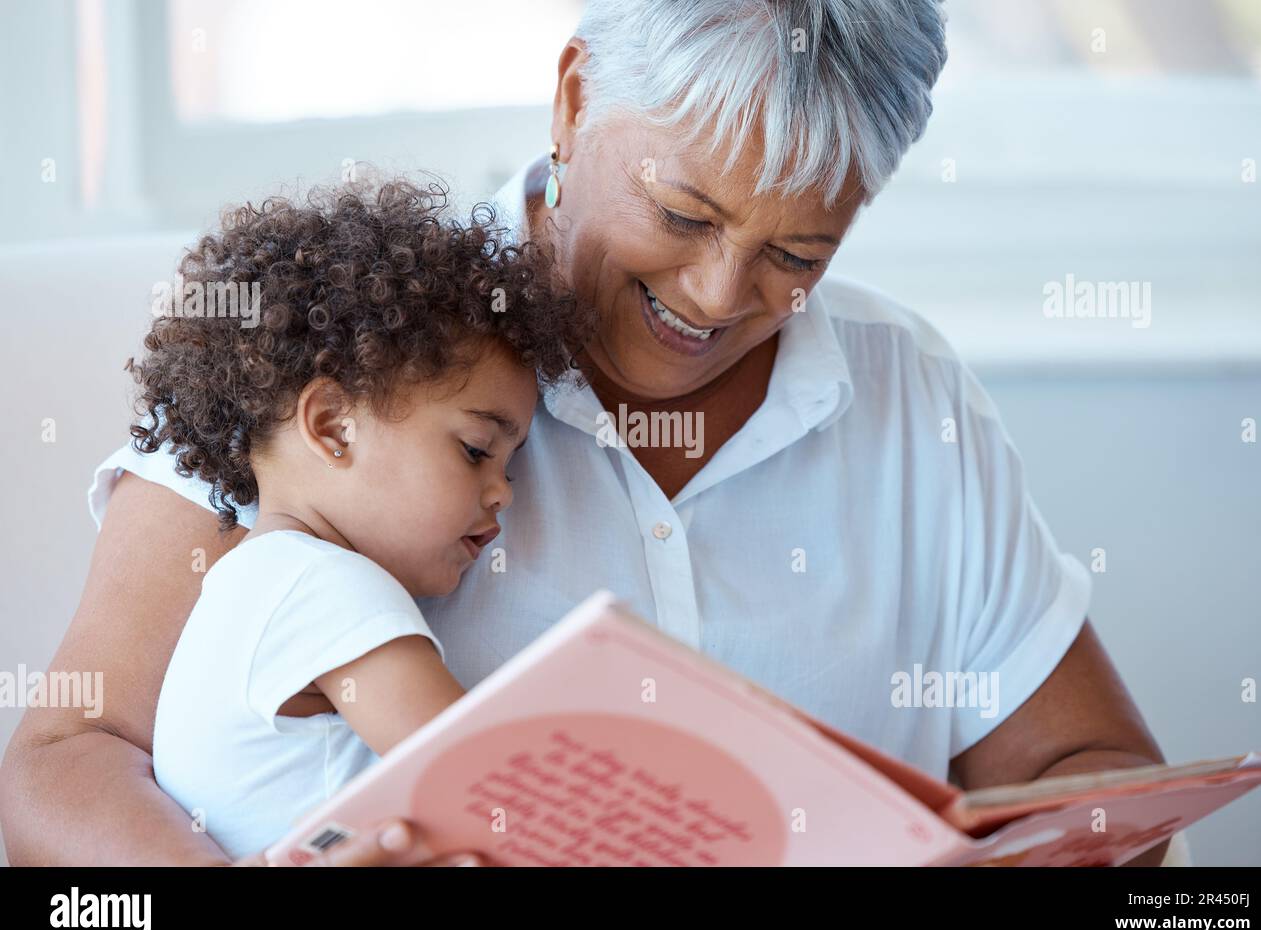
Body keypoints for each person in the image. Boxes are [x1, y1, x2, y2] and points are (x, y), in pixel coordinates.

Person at [0, 0, 1170, 866]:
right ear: (573, 100)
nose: (717, 296)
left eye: (796, 255)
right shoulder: (344, 354)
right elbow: (59, 771)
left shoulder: (909, 396)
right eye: (682, 213)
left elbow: (1093, 780)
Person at [132, 178, 592, 859]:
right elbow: (486, 785)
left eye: (512, 463)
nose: (504, 494)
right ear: (332, 424)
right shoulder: (326, 588)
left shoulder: (248, 584)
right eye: (475, 451)